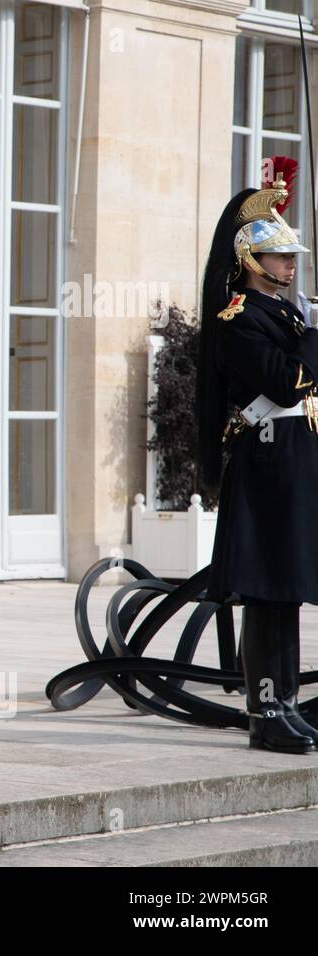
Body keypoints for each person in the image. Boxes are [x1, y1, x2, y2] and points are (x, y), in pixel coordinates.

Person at [197, 155, 318, 754]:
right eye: (281, 257)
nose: (291, 264)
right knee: (266, 590)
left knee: (286, 589)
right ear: (251, 259)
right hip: (266, 465)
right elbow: (287, 382)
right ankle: (264, 708)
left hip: (292, 464)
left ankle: (287, 701)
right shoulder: (239, 321)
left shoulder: (287, 314)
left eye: (293, 257)